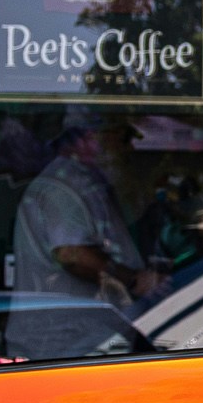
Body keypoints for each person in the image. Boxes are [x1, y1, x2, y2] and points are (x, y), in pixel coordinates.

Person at [11, 114, 158, 356]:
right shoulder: (64, 186)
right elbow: (72, 254)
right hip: (68, 343)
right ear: (89, 139)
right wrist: (133, 280)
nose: (128, 149)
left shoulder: (85, 183)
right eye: (122, 138)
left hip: (88, 339)